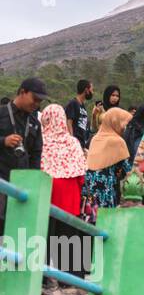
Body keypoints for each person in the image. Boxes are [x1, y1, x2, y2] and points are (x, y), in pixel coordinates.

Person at [39, 103, 88, 276]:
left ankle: (45, 276)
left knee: (46, 234)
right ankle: (70, 278)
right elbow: (81, 175)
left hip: (48, 195)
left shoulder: (42, 141)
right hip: (70, 197)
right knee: (68, 236)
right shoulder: (73, 142)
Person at [0, 78, 50, 233]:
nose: (36, 104)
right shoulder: (1, 113)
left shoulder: (35, 121)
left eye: (40, 101)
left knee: (14, 233)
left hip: (21, 189)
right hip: (2, 182)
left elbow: (36, 155)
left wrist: (33, 183)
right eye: (34, 99)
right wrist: (3, 141)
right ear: (22, 92)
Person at [82, 107, 133, 225]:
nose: (124, 127)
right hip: (105, 188)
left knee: (90, 221)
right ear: (114, 122)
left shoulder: (95, 138)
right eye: (122, 123)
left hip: (89, 187)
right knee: (105, 224)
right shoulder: (117, 141)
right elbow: (128, 170)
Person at [64, 79, 93, 149]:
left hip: (81, 144)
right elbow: (69, 123)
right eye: (92, 90)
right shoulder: (73, 103)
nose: (92, 92)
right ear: (86, 90)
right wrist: (72, 141)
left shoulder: (82, 106)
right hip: (74, 145)